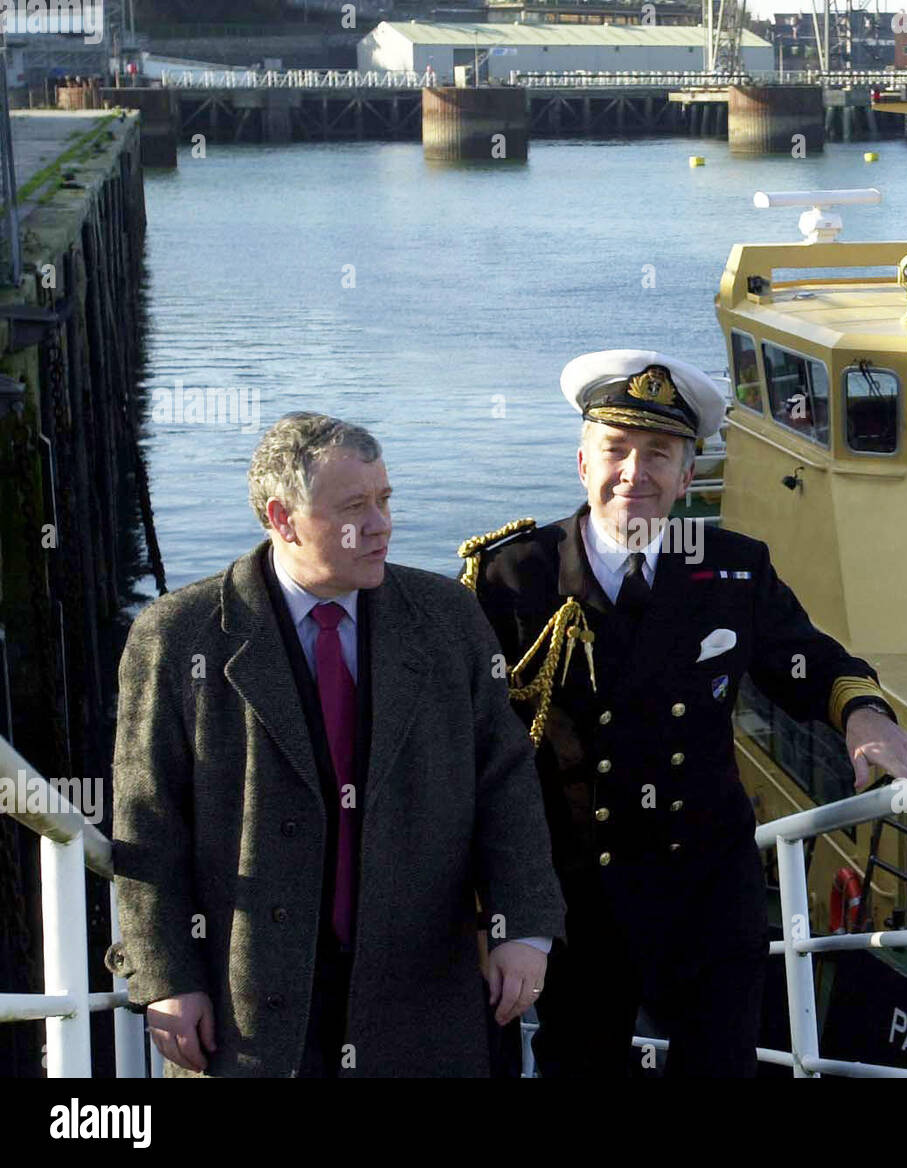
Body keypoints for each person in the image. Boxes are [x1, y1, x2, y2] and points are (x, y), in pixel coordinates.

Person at [460, 351, 907, 1077]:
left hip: (708, 888)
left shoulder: (732, 569)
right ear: (582, 463)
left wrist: (864, 715)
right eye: (616, 450)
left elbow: (807, 662)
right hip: (579, 891)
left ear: (687, 476)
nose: (634, 474)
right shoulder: (511, 577)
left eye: (660, 455)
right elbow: (470, 747)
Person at [108, 412, 565, 1078]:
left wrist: (522, 926)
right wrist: (167, 976)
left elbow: (506, 779)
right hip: (249, 1006)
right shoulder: (179, 638)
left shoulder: (446, 618)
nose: (381, 524)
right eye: (355, 507)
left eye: (385, 500)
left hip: (421, 995)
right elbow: (148, 819)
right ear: (282, 518)